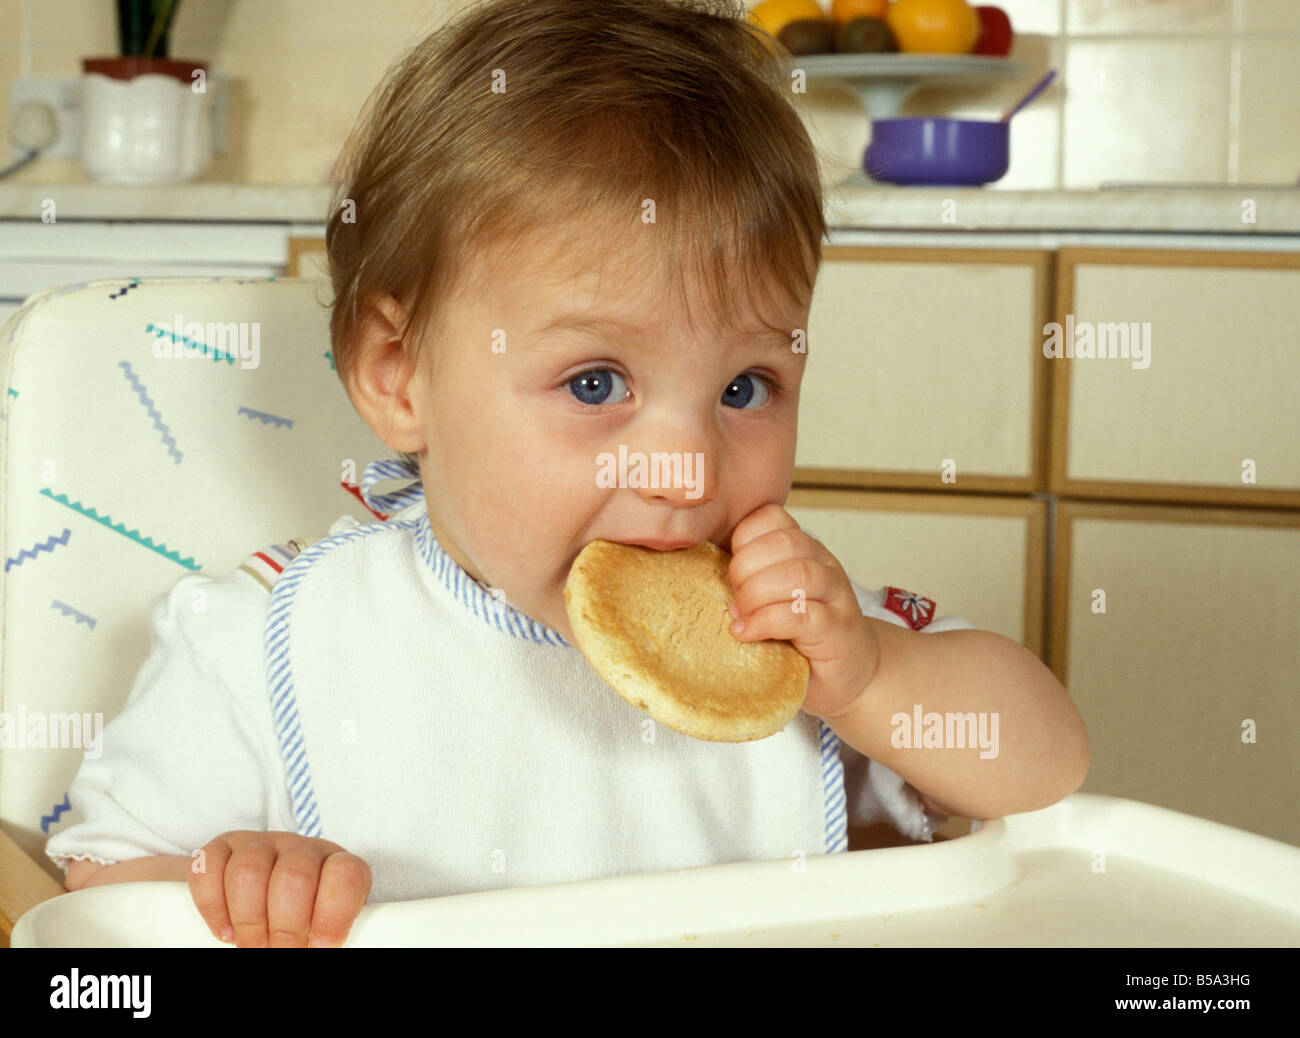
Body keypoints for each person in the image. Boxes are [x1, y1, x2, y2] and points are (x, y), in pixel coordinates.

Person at [45, 0, 1088, 948]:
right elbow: (91, 902)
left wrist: (873, 679)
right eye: (595, 384)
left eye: (744, 388)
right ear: (398, 376)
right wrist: (230, 886)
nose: (685, 471)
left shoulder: (782, 639)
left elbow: (1046, 768)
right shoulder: (264, 642)